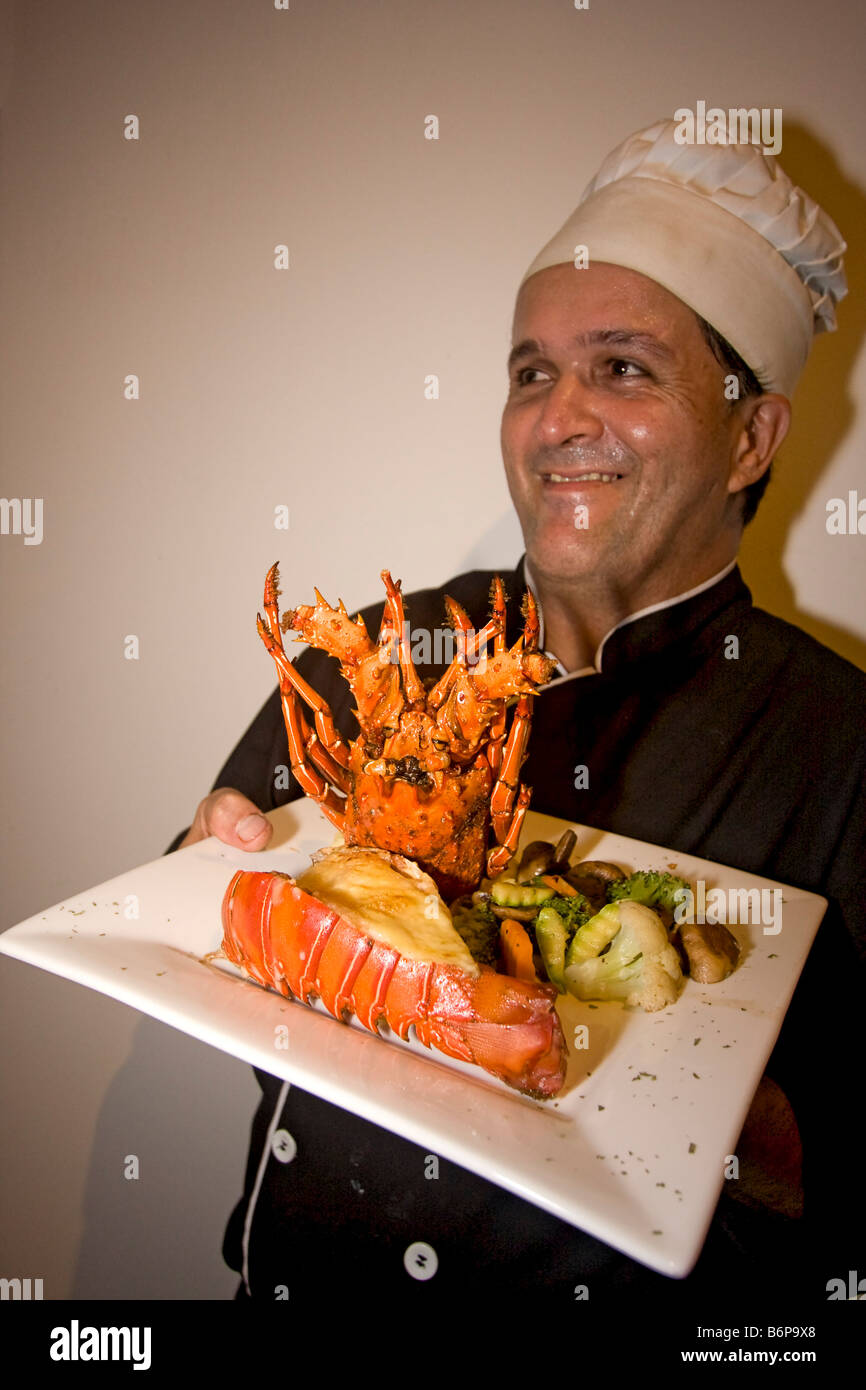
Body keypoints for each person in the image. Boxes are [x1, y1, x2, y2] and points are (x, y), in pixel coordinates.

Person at [171, 119, 865, 1309]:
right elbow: (194, 929)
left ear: (751, 435)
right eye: (530, 372)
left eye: (623, 367)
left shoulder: (836, 737)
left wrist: (757, 1138)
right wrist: (213, 866)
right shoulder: (383, 645)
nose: (556, 418)